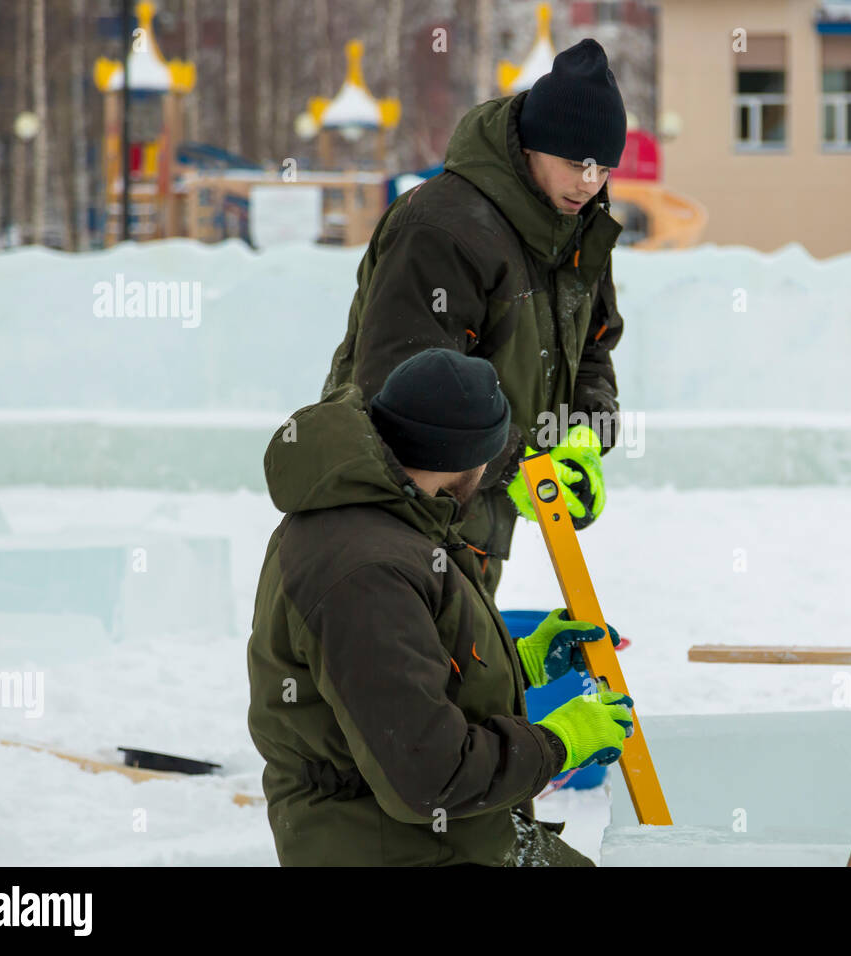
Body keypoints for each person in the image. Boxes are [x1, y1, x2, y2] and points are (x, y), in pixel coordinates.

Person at [247, 349, 635, 866]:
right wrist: (558, 742)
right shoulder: (367, 572)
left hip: (435, 831)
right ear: (467, 459)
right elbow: (427, 775)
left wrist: (521, 665)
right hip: (387, 845)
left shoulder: (388, 518)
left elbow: (402, 683)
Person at [323, 38, 629, 596]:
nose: (590, 182)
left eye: (603, 168)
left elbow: (592, 347)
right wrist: (519, 464)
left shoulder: (580, 229)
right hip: (400, 498)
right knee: (406, 664)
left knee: (465, 667)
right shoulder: (444, 229)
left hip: (480, 504)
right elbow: (402, 384)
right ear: (532, 147)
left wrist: (581, 435)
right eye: (575, 163)